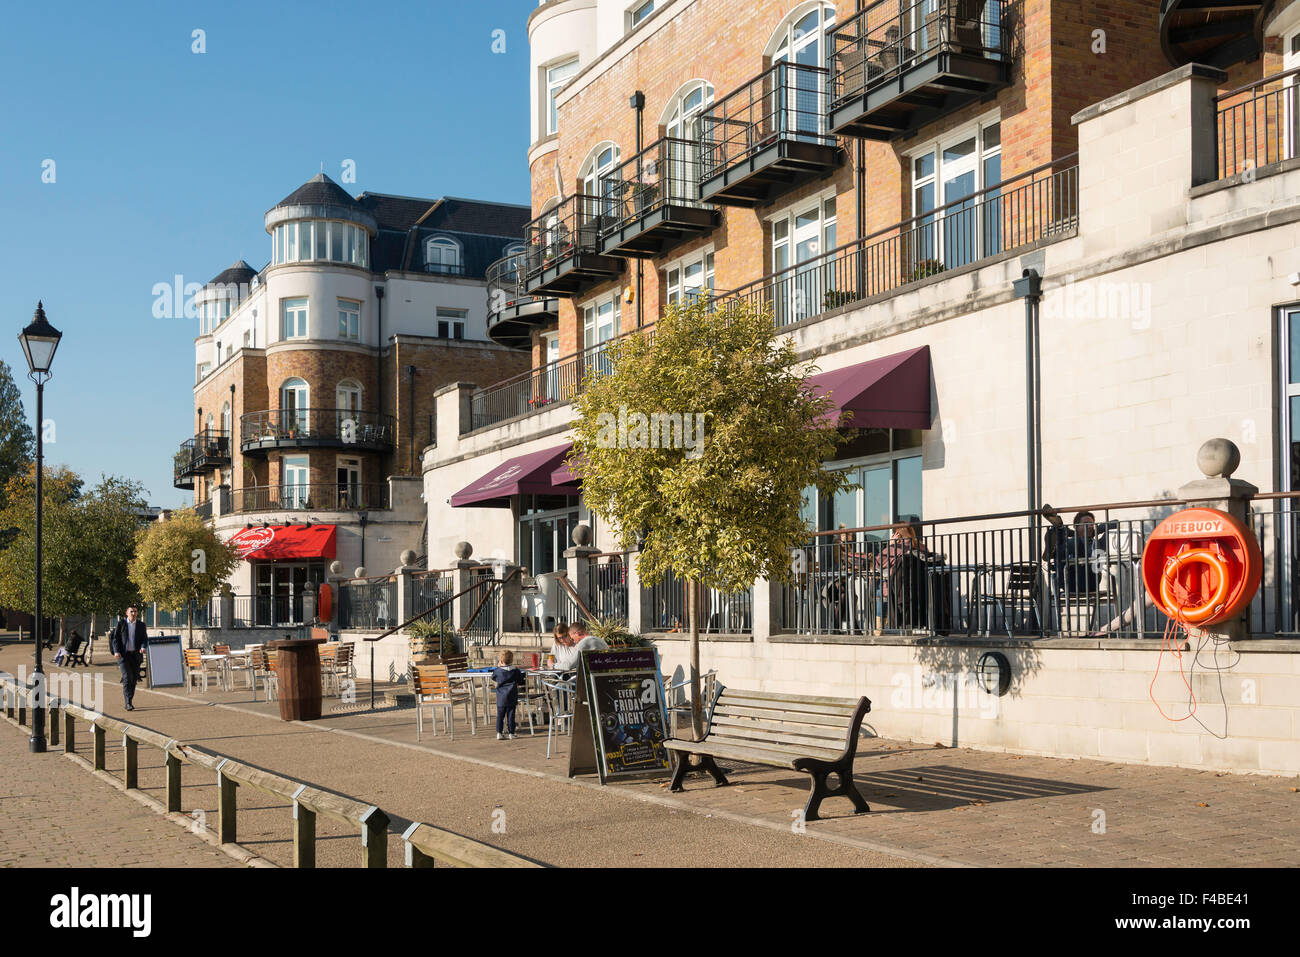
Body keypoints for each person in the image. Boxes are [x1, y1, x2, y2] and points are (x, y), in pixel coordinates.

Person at [109, 604, 149, 711]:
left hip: (135, 655)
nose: (133, 613)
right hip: (123, 655)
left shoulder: (141, 625)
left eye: (135, 611)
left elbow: (145, 639)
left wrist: (143, 647)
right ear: (126, 613)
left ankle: (130, 699)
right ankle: (127, 702)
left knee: (134, 678)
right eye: (131, 611)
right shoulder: (121, 623)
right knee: (127, 677)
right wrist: (116, 651)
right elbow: (115, 638)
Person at [492, 650, 525, 740]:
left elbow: (493, 677)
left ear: (501, 661)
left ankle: (499, 732)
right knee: (511, 715)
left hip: (501, 697)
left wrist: (498, 667)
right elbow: (521, 680)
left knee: (500, 716)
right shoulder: (515, 670)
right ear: (511, 660)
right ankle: (511, 732)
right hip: (512, 695)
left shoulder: (498, 671)